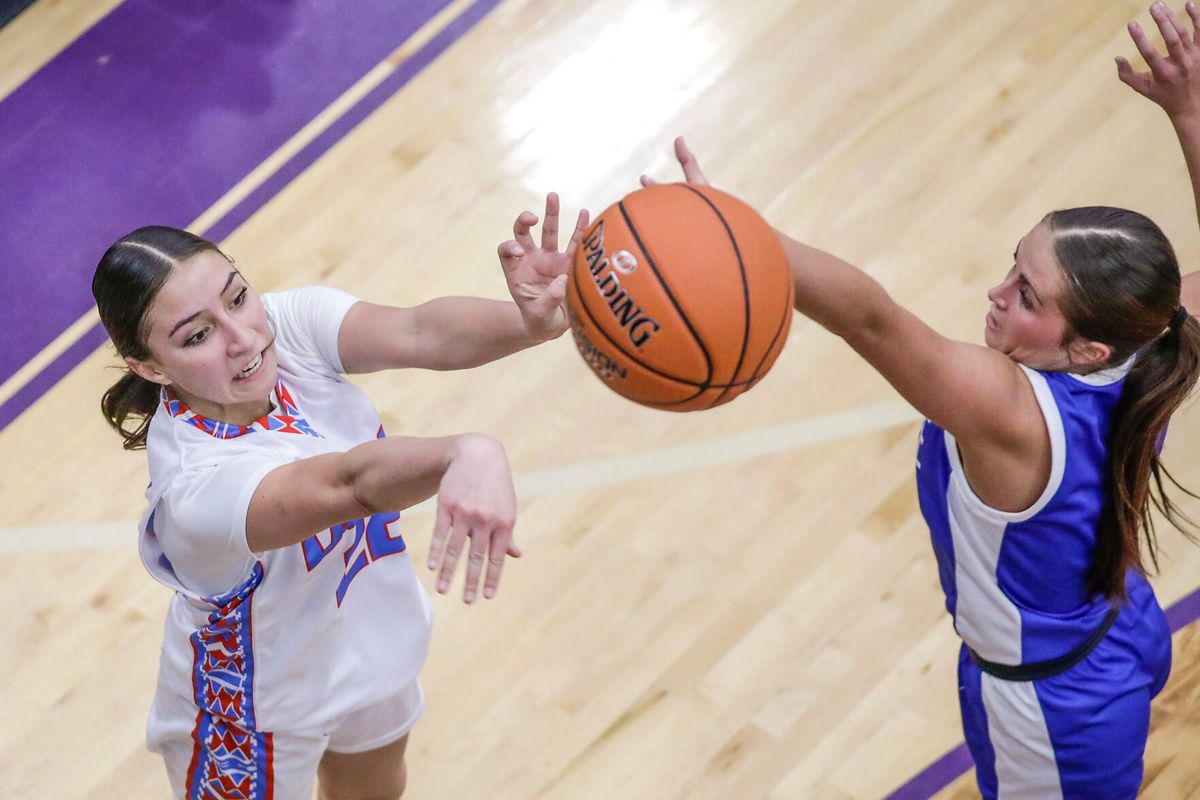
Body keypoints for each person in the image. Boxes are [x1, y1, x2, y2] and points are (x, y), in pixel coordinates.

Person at [643, 6, 1200, 796]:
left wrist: (743, 241)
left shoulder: (1007, 408)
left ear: (1088, 349)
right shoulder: (1156, 342)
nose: (997, 293)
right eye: (1014, 266)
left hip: (1053, 710)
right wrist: (1189, 114)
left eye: (1028, 296)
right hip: (1118, 623)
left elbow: (870, 321)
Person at [90, 194, 587, 800]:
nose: (243, 338)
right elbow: (350, 484)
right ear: (150, 368)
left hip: (365, 639)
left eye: (238, 297)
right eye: (198, 336)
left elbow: (419, 331)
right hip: (256, 709)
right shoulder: (195, 490)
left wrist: (533, 322)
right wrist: (464, 451)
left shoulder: (286, 328)